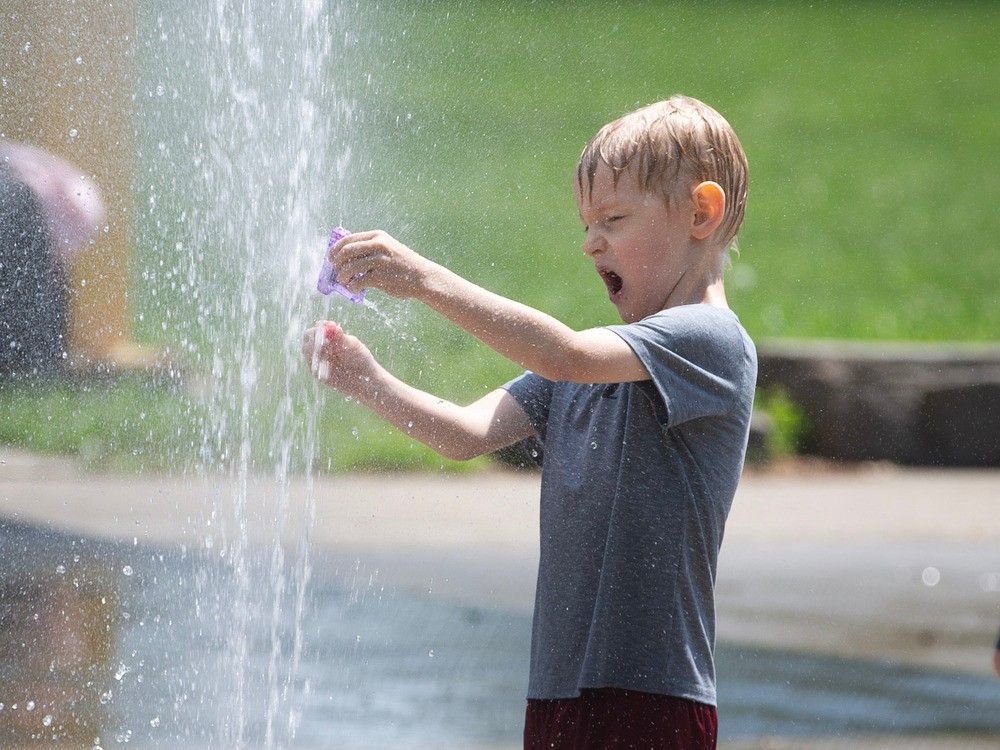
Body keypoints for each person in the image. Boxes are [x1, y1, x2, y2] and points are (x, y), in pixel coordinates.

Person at [303, 95, 755, 749]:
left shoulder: (709, 342)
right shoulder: (595, 363)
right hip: (558, 688)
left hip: (653, 694)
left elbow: (562, 354)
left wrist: (425, 279)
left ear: (700, 213)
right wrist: (366, 381)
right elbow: (466, 434)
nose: (591, 241)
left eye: (614, 219)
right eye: (587, 223)